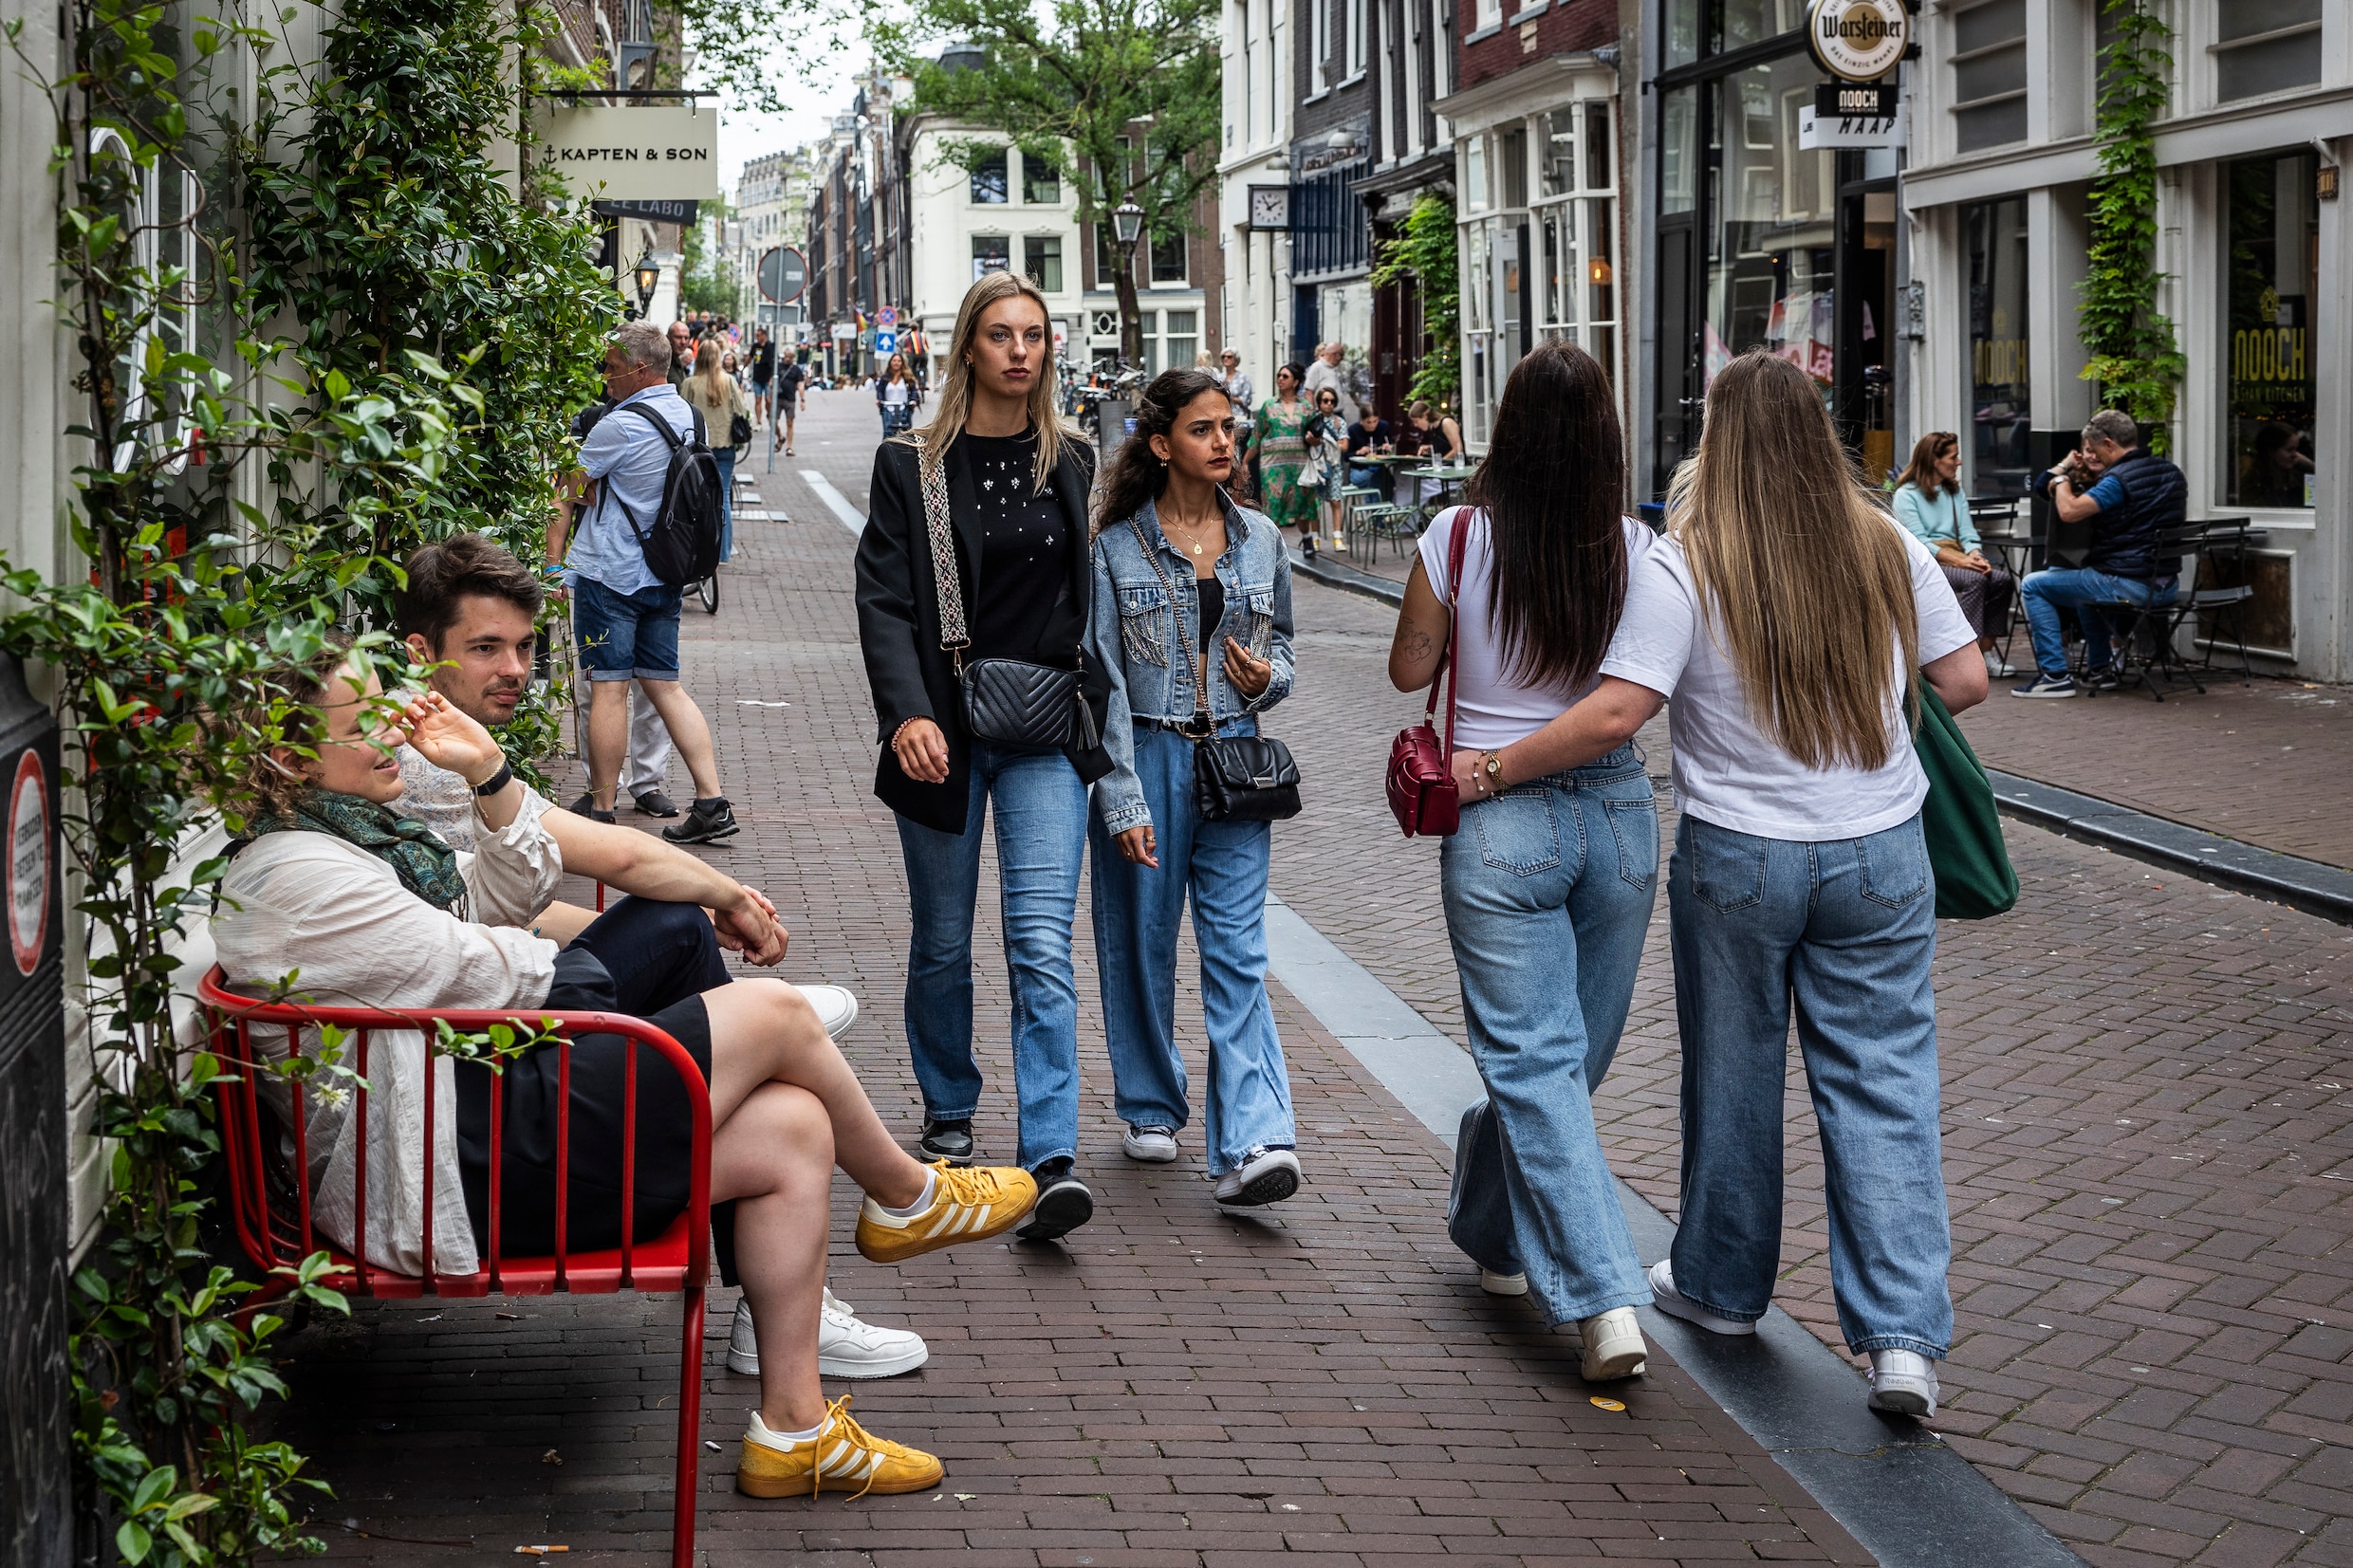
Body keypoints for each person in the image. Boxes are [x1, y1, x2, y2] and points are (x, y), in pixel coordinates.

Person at [213, 639, 1045, 1499]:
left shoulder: (347, 839)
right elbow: (511, 970)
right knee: (775, 1012)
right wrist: (567, 969)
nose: (395, 727)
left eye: (389, 701)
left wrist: (493, 777)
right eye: (367, 718)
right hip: (440, 1177)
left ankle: (795, 1432)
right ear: (286, 755)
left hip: (468, 1125)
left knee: (796, 1126)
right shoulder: (302, 877)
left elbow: (499, 904)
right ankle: (907, 1194)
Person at [1498, 349, 1989, 1418]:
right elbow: (1965, 679)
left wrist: (1492, 766)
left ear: (1716, 441)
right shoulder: (1886, 543)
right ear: (1816, 438)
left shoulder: (1687, 562)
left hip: (1740, 855)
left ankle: (1721, 1291)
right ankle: (1902, 1342)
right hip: (1879, 848)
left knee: (1732, 1075)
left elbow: (1619, 711)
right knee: (1885, 1082)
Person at [387, 533, 925, 1381]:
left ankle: (757, 1048)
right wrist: (730, 896)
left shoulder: (434, 738)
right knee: (687, 936)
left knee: (674, 932)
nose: (515, 668)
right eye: (485, 647)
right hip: (470, 1077)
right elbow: (618, 854)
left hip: (473, 1035)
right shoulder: (425, 761)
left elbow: (504, 903)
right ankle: (787, 1078)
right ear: (424, 654)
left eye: (525, 646)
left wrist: (701, 910)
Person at [1382, 341, 1659, 1383]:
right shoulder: (1638, 549)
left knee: (1541, 1066)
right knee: (1565, 1059)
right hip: (1620, 813)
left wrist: (1461, 630)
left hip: (1495, 814)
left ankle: (1498, 1230)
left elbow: (1410, 665)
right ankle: (1602, 1299)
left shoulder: (1454, 534)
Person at [853, 269, 1114, 1244]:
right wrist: (905, 713)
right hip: (943, 733)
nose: (1018, 350)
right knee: (944, 938)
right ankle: (950, 1109)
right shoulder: (912, 464)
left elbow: (1103, 595)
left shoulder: (1076, 458)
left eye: (1034, 335)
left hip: (1043, 726)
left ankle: (1049, 1155)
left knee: (1041, 942)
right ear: (966, 348)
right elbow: (882, 599)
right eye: (1000, 334)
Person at [1084, 368, 1302, 1206]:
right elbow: (1100, 679)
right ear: (1161, 441)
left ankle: (1254, 1139)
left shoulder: (1263, 538)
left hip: (1236, 760)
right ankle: (1149, 1100)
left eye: (1230, 429)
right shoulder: (1113, 550)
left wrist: (1264, 678)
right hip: (1149, 752)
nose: (1224, 443)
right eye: (1205, 429)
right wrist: (1122, 798)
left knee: (1238, 948)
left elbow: (1283, 647)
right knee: (1141, 940)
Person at [549, 321, 737, 844]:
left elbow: (564, 493)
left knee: (607, 689)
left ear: (637, 369)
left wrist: (551, 564)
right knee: (666, 686)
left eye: (610, 367)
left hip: (610, 574)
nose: (605, 378)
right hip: (665, 573)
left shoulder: (618, 425)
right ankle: (712, 800)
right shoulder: (688, 415)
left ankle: (604, 814)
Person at [2012, 408, 2189, 698]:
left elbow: (2069, 512)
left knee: (2033, 585)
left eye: (2094, 450)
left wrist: (2061, 481)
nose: (2094, 457)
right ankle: (2100, 669)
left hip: (2131, 585)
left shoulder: (2117, 480)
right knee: (2079, 583)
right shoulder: (2171, 472)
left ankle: (2055, 675)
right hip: (2166, 585)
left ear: (2109, 444)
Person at [1891, 432, 2016, 675]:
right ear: (1934, 460)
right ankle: (1960, 654)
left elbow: (1968, 533)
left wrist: (1976, 555)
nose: (1958, 462)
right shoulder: (1906, 495)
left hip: (1958, 556)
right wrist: (1964, 562)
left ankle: (1985, 653)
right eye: (1953, 457)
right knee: (1975, 580)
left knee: (2001, 580)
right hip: (1929, 562)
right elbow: (1920, 543)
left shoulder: (1953, 492)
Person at [681, 340, 751, 565]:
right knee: (723, 500)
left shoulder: (690, 383)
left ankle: (699, 550)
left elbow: (682, 413)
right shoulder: (729, 381)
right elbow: (742, 410)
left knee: (697, 500)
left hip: (698, 451)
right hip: (726, 447)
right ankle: (723, 554)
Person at [1254, 364, 1317, 556]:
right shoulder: (1268, 405)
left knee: (1301, 505)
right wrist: (1244, 464)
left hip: (1299, 465)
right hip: (1273, 466)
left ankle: (1307, 539)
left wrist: (1313, 439)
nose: (1280, 379)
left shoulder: (1306, 407)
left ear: (1295, 381)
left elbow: (1315, 434)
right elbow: (1257, 435)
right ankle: (1274, 551)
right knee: (1273, 505)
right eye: (1278, 375)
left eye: (1285, 376)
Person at [1299, 386, 1349, 552]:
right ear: (1319, 402)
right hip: (1317, 466)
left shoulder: (1339, 422)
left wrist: (1323, 442)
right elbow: (1308, 440)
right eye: (1325, 401)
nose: (1329, 404)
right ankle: (1316, 538)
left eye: (1332, 401)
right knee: (1315, 503)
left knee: (1335, 501)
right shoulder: (1313, 420)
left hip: (1333, 467)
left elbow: (1344, 446)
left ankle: (1337, 537)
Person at [1406, 399, 1465, 508]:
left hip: (1454, 472)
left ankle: (1410, 514)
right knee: (1410, 481)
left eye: (1416, 421)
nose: (1416, 425)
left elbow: (1458, 449)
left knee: (1415, 485)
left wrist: (1439, 463)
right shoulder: (1433, 427)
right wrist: (1429, 448)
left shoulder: (1447, 423)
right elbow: (1444, 445)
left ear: (1424, 416)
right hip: (1443, 470)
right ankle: (1410, 514)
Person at [1303, 341, 1357, 424]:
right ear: (1335, 355)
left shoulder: (1337, 368)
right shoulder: (1317, 367)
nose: (1341, 358)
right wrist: (1312, 414)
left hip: (1338, 413)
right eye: (1341, 355)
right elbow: (1309, 392)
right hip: (1323, 414)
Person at [1344, 404, 1393, 492]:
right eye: (1368, 422)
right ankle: (1379, 505)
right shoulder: (1353, 430)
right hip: (1359, 470)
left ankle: (1376, 504)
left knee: (1384, 479)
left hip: (1379, 468)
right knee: (1379, 480)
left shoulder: (1384, 427)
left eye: (1375, 421)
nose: (1372, 425)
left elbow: (1390, 447)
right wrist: (1358, 452)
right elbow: (1346, 456)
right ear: (1362, 421)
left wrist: (1387, 447)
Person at [876, 352, 920, 436]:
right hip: (888, 409)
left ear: (902, 363)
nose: (896, 363)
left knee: (905, 433)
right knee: (888, 433)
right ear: (890, 362)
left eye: (899, 361)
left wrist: (914, 401)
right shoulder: (885, 378)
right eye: (894, 360)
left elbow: (914, 390)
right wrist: (879, 400)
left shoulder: (907, 377)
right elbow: (880, 391)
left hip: (904, 409)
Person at [774, 348, 807, 456]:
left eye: (790, 357)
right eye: (786, 356)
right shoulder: (778, 367)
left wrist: (802, 400)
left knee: (790, 423)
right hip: (778, 398)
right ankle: (780, 437)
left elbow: (800, 385)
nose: (787, 359)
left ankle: (789, 447)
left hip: (790, 399)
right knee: (773, 421)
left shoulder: (796, 369)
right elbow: (771, 381)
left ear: (793, 358)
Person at [750, 327, 775, 426]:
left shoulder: (771, 346)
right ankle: (759, 420)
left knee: (768, 399)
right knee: (758, 399)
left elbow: (774, 362)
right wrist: (743, 368)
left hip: (768, 377)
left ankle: (769, 413)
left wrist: (772, 378)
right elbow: (750, 357)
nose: (757, 337)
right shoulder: (755, 346)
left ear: (764, 335)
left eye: (759, 335)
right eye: (756, 335)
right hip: (757, 377)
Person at [666, 320, 695, 390]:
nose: (683, 342)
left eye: (686, 338)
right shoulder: (662, 363)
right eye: (678, 337)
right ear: (668, 338)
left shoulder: (678, 361)